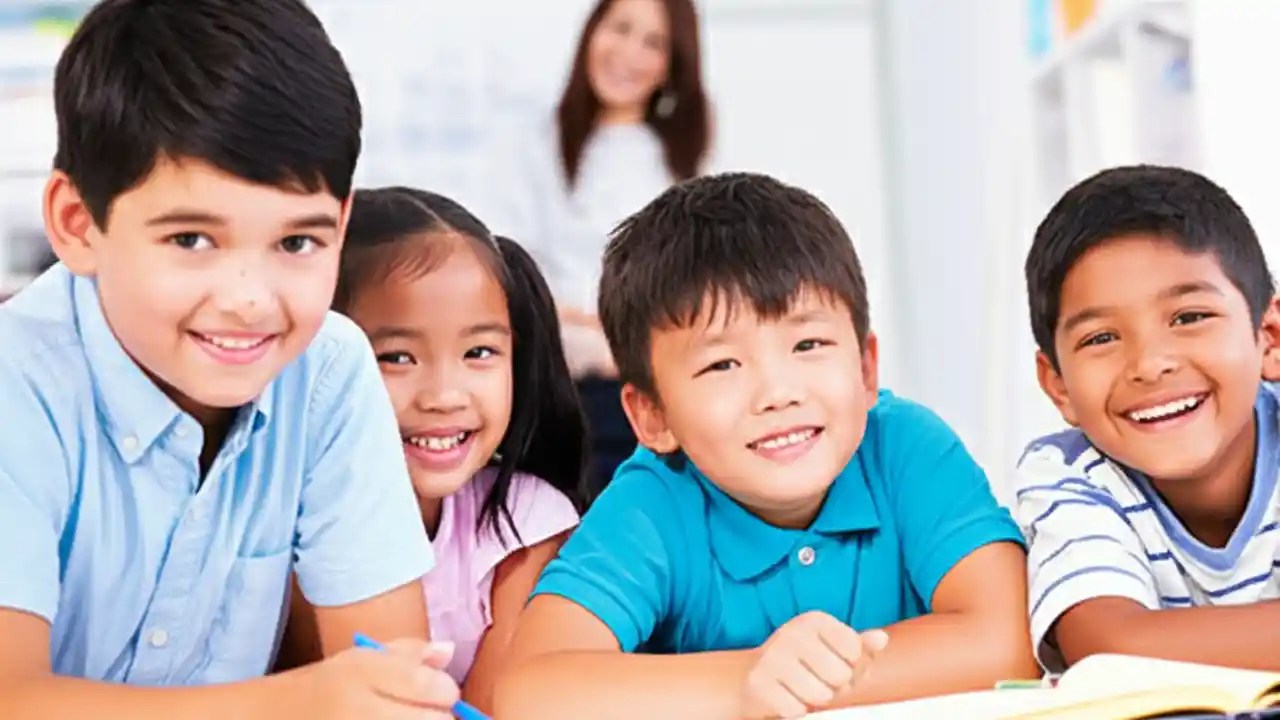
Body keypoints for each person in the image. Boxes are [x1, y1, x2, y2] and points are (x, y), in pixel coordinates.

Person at [0, 1, 459, 717]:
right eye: (191, 240)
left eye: (297, 244)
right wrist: (298, 705)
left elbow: (386, 673)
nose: (250, 300)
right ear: (77, 222)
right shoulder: (18, 384)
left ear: (340, 225)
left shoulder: (329, 371)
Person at [495, 172, 1037, 719]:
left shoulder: (905, 449)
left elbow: (1008, 641)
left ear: (865, 369)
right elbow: (531, 692)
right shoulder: (654, 503)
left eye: (808, 344)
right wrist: (749, 680)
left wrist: (803, 684)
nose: (778, 393)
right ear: (653, 415)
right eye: (722, 364)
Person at [285, 187, 587, 713]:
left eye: (479, 352)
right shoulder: (275, 522)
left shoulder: (527, 524)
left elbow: (498, 705)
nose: (445, 396)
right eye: (397, 357)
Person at [1016, 164, 1280, 673]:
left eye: (1189, 317)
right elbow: (1109, 647)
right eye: (1101, 338)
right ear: (1059, 386)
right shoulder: (1068, 477)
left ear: (1268, 335)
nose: (1150, 364)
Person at [476, 0, 712, 496]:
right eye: (620, 29)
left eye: (653, 43)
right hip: (553, 380)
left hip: (648, 387)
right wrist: (598, 332)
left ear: (673, 65)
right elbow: (508, 269)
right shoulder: (533, 142)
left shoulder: (681, 162)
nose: (629, 52)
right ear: (592, 33)